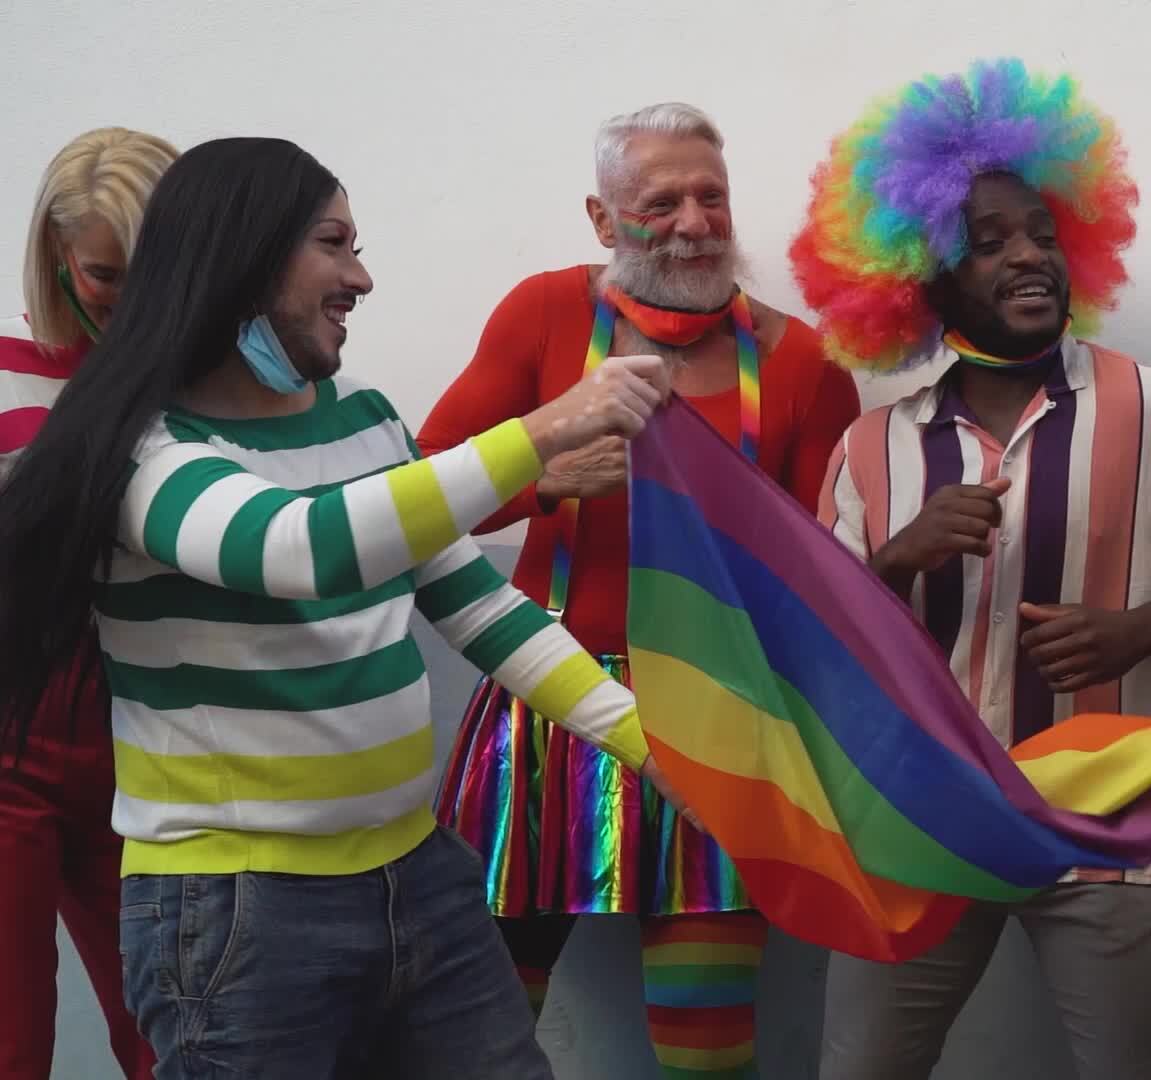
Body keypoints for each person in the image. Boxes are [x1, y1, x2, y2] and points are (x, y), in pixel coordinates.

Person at [0, 136, 673, 1079]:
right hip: (236, 914)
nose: (360, 277)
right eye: (334, 243)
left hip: (419, 876)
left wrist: (650, 744)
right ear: (245, 254)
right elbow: (300, 546)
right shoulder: (136, 448)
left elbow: (483, 611)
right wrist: (548, 427)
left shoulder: (364, 415)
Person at [797, 58, 1151, 1080]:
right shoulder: (871, 447)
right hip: (921, 825)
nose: (1031, 259)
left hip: (1103, 821)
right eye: (989, 244)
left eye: (1044, 236)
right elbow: (816, 642)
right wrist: (899, 557)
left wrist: (1137, 631)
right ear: (924, 276)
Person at [424, 102, 860, 1075]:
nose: (697, 222)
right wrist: (539, 477)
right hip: (544, 709)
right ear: (602, 218)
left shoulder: (802, 362)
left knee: (706, 1053)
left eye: (713, 195)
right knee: (471, 1031)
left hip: (718, 718)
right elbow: (417, 488)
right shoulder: (543, 313)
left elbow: (826, 576)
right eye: (662, 201)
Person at [0, 125, 174, 1080]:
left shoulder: (214, 389)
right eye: (106, 274)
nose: (130, 303)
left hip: (153, 743)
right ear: (59, 261)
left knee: (167, 1038)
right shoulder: (4, 371)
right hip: (12, 731)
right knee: (11, 1040)